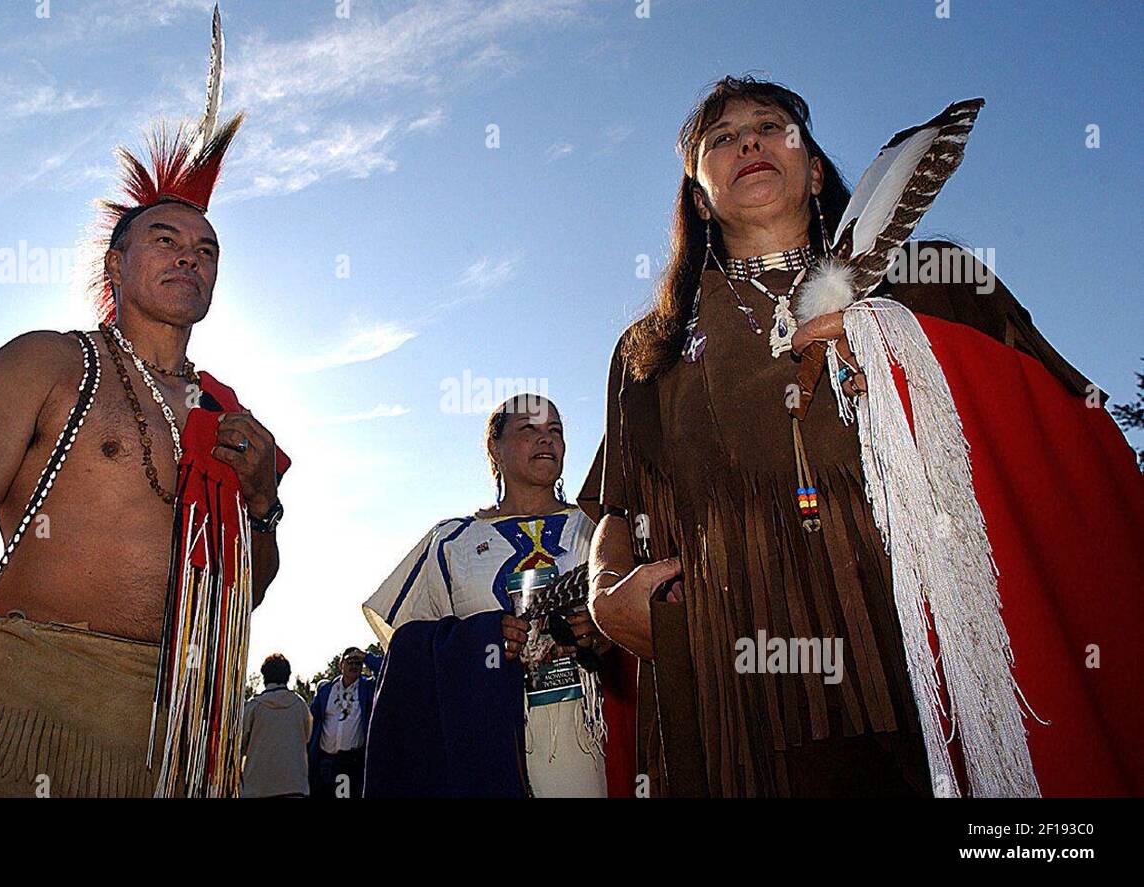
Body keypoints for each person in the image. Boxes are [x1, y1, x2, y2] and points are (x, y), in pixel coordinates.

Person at [587, 75, 1144, 797]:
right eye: (721, 139)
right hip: (742, 668)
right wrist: (605, 588)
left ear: (816, 172)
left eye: (773, 127)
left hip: (936, 641)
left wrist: (904, 345)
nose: (750, 141)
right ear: (698, 197)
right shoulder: (650, 349)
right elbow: (614, 503)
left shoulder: (935, 284)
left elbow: (1072, 426)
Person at [0, 13, 291, 798]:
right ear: (116, 262)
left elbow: (247, 589)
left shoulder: (227, 413)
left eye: (206, 250)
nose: (189, 256)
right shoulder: (50, 364)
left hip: (181, 743)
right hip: (29, 716)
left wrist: (263, 502)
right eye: (165, 239)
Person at [363, 394, 613, 797]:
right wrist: (476, 641)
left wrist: (606, 631)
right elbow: (405, 659)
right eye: (529, 430)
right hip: (481, 748)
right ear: (494, 447)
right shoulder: (450, 543)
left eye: (555, 431)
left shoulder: (601, 529)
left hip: (592, 745)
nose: (546, 440)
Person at [307, 647, 379, 798]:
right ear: (341, 665)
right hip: (325, 761)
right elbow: (311, 722)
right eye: (349, 661)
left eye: (358, 663)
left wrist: (366, 657)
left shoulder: (367, 687)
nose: (354, 666)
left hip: (350, 762)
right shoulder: (326, 689)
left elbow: (386, 670)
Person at [241, 654, 312, 798]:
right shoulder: (300, 705)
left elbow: (242, 743)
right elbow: (307, 736)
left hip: (259, 787)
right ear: (287, 676)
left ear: (264, 676)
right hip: (294, 785)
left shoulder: (254, 706)